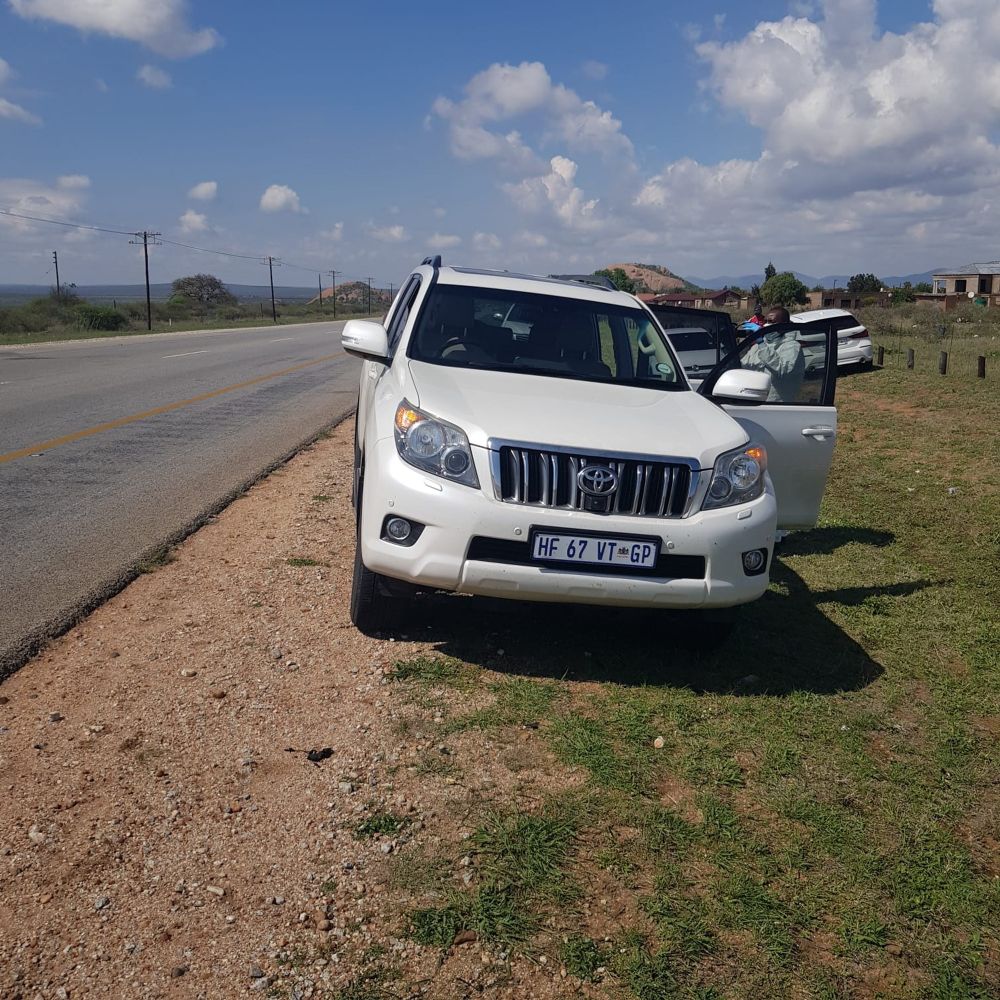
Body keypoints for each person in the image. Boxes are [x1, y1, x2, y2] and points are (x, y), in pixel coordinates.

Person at [743, 306, 804, 402]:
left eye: (771, 322)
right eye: (766, 321)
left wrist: (762, 344)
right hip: (754, 400)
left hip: (776, 404)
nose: (767, 325)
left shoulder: (792, 346)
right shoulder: (760, 345)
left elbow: (783, 370)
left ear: (783, 325)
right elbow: (743, 365)